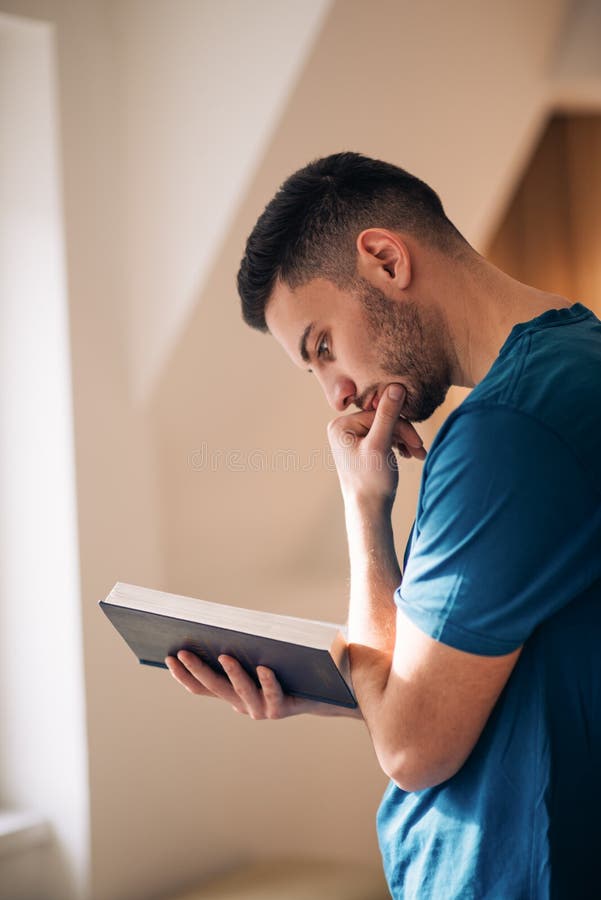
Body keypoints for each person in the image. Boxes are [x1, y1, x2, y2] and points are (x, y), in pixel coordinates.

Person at [166, 153, 601, 899]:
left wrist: (362, 508)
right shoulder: (577, 358)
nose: (335, 394)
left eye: (322, 346)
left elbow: (410, 748)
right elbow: (492, 673)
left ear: (386, 260)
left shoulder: (505, 431)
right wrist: (326, 688)